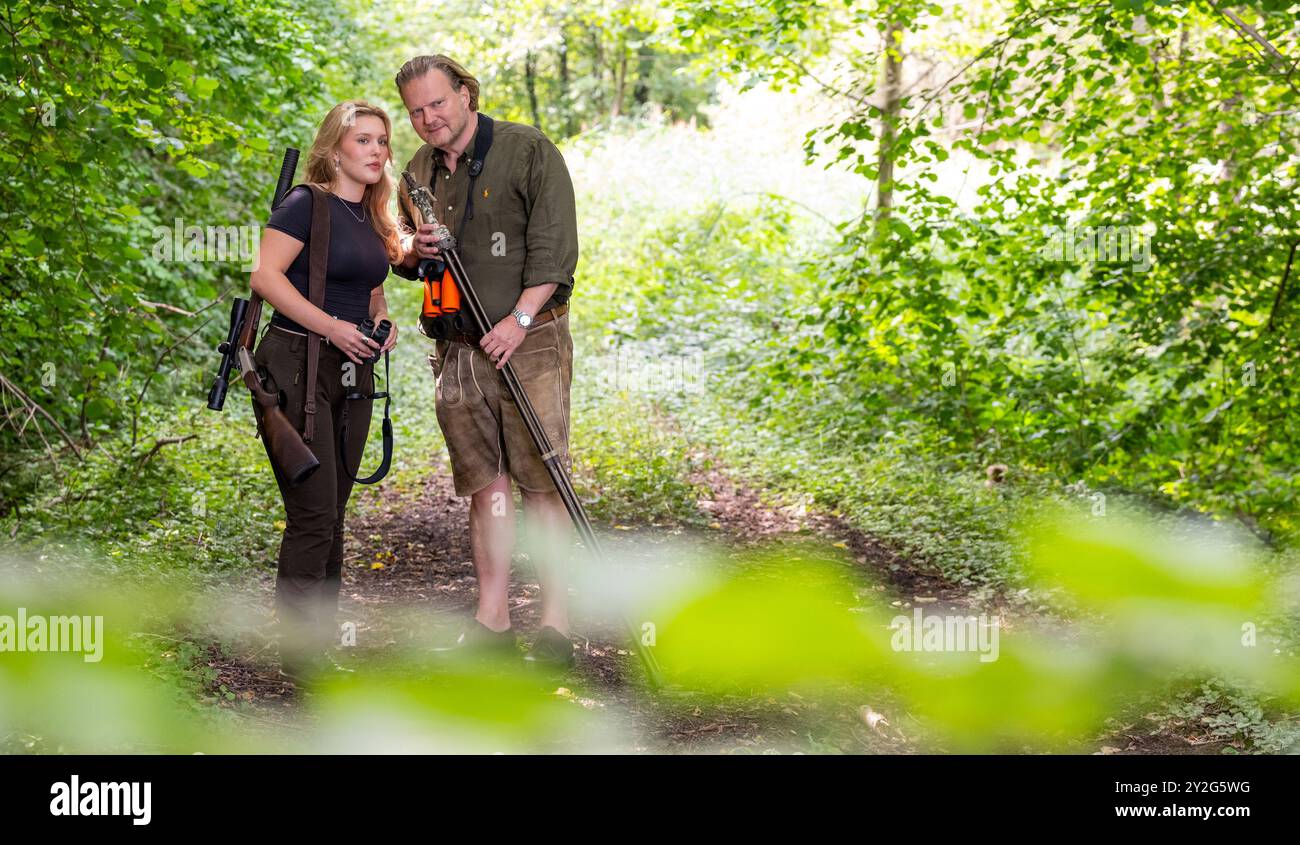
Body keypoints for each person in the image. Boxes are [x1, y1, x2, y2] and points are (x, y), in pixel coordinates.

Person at [392, 55, 579, 670]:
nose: (427, 119)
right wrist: (412, 251)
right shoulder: (417, 171)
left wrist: (518, 320)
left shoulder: (528, 150)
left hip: (533, 343)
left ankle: (554, 624)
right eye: (416, 111)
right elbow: (405, 252)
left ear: (467, 94)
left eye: (437, 104)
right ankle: (492, 620)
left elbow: (556, 252)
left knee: (542, 484)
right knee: (486, 487)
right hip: (457, 350)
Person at [249, 100, 401, 683]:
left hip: (352, 372)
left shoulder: (373, 213)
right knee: (312, 515)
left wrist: (378, 324)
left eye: (382, 142)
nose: (375, 151)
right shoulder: (304, 204)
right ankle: (300, 657)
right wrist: (331, 327)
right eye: (362, 140)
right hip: (296, 365)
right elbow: (263, 275)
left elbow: (370, 290)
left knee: (334, 513)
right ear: (334, 148)